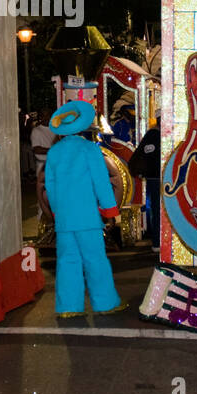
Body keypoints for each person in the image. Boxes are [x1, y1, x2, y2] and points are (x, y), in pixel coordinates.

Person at [44, 100, 125, 318]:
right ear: (82, 126)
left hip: (64, 220)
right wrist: (111, 211)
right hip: (88, 218)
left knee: (67, 262)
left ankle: (68, 307)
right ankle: (105, 303)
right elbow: (102, 183)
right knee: (95, 260)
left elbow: (49, 188)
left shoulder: (53, 153)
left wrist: (56, 213)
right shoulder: (90, 150)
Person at [129, 118, 161, 251]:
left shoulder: (151, 134)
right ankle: (159, 241)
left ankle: (157, 242)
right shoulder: (159, 134)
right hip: (162, 177)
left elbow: (142, 153)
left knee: (155, 209)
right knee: (161, 210)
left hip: (153, 177)